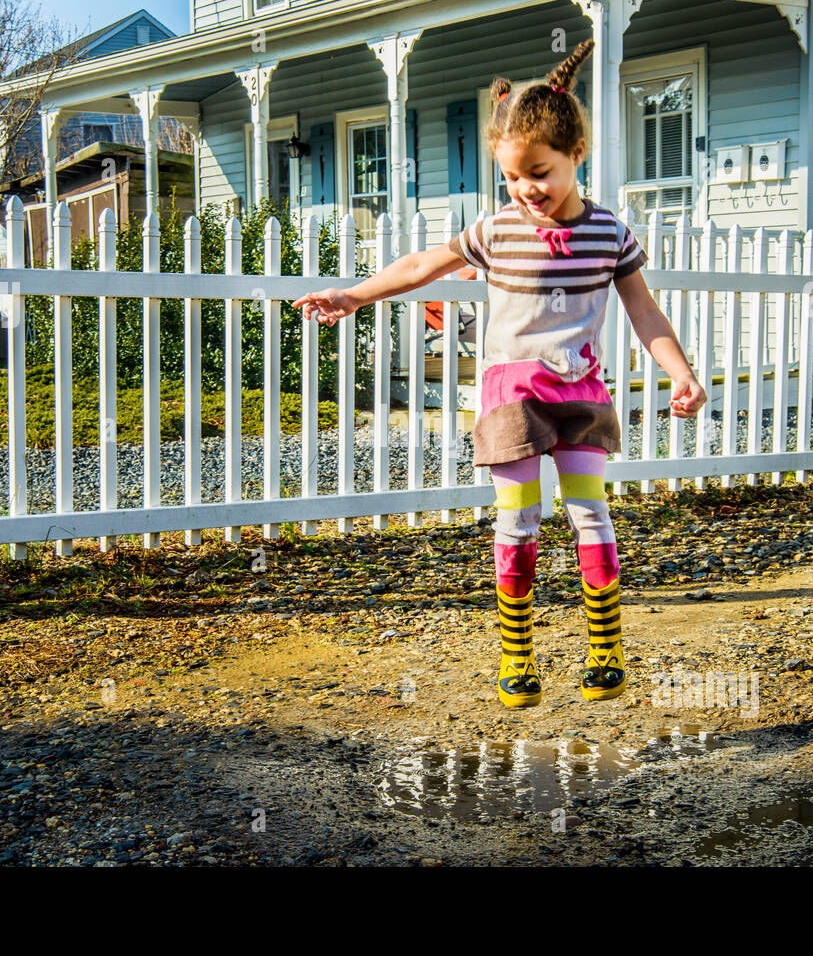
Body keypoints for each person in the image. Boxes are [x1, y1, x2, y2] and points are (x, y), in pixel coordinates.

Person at [291, 37, 706, 709]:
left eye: (539, 172)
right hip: (512, 391)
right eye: (513, 177)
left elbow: (644, 312)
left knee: (590, 514)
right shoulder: (498, 229)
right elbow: (421, 265)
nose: (526, 190)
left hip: (580, 389)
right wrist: (353, 294)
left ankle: (605, 648)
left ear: (578, 155)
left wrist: (680, 371)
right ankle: (519, 654)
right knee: (518, 521)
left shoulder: (610, 235)